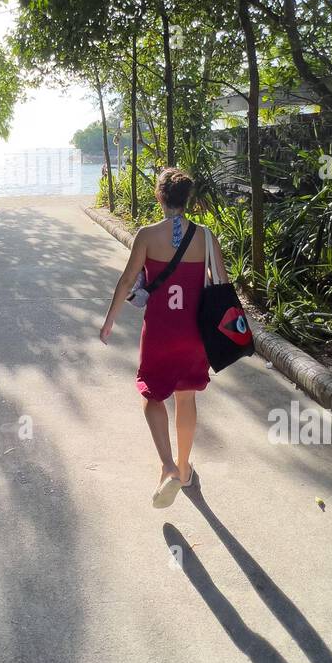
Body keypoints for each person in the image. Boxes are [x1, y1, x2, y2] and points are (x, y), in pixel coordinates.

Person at [99, 167, 227, 508]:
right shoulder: (206, 237)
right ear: (189, 199)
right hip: (194, 335)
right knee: (186, 399)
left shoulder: (147, 235)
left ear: (159, 197)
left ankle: (168, 466)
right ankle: (185, 470)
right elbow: (222, 285)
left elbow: (127, 281)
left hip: (159, 332)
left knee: (152, 395)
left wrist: (109, 321)